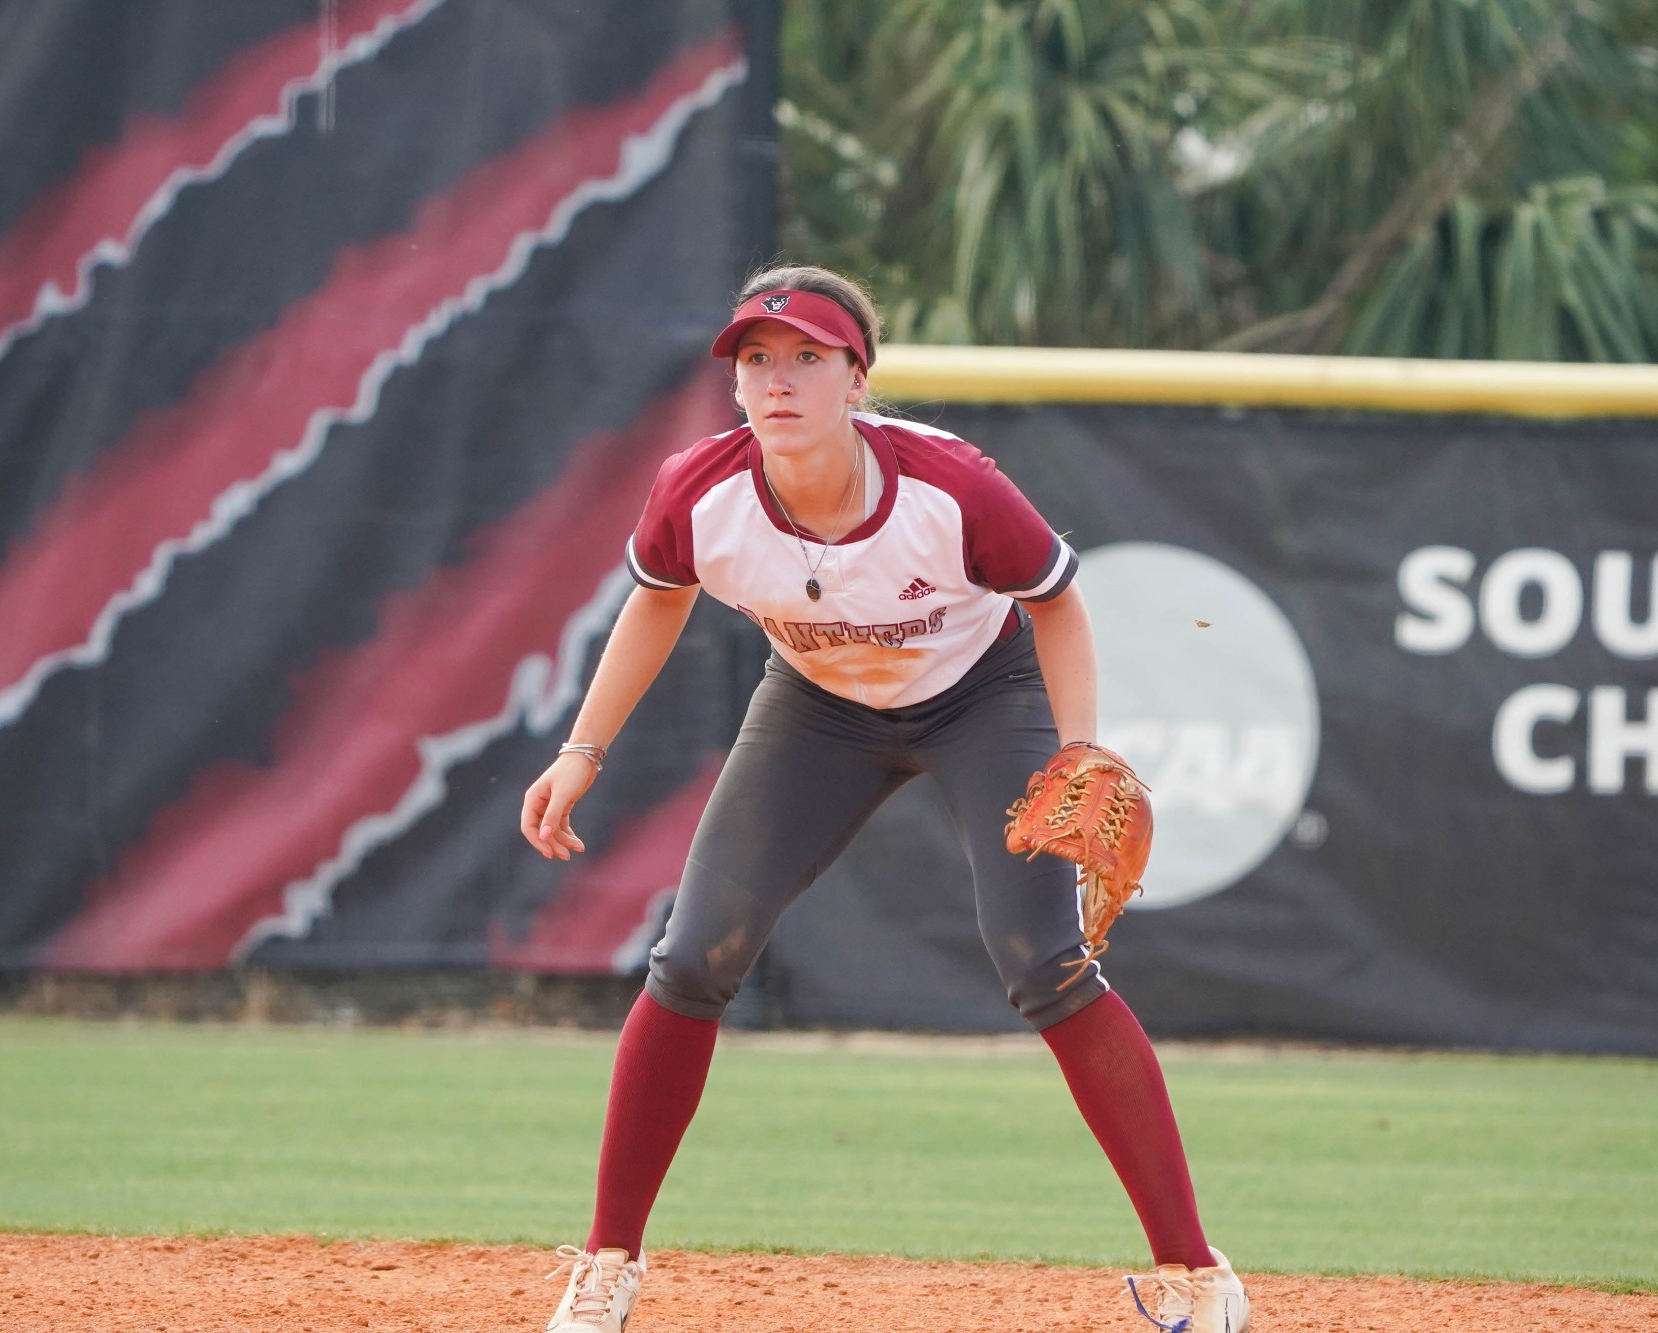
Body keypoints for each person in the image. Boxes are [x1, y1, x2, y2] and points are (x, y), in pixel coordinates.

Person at [519, 265, 1250, 1333]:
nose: (778, 381)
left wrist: (1078, 750)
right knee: (692, 957)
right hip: (814, 709)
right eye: (756, 361)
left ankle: (1195, 1273)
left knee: (1042, 962)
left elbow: (1055, 604)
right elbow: (656, 597)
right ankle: (606, 1266)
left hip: (979, 698)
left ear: (856, 378)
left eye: (808, 358)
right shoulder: (699, 489)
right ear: (732, 385)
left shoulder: (947, 487)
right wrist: (582, 748)